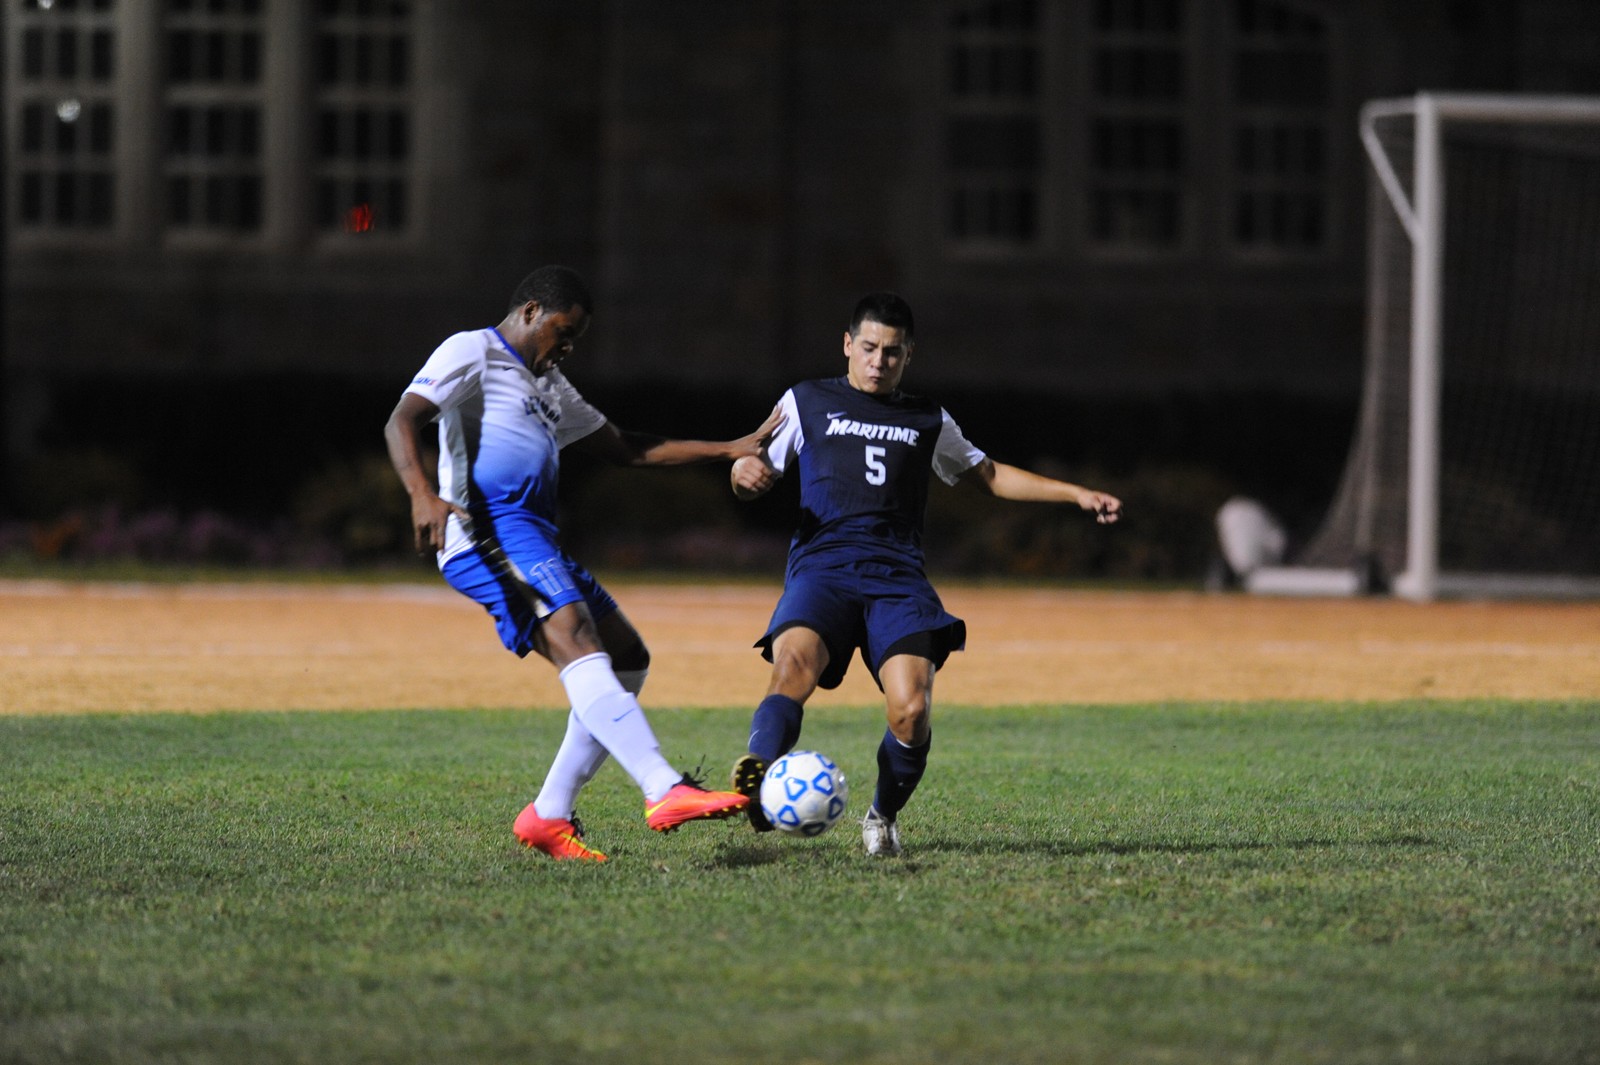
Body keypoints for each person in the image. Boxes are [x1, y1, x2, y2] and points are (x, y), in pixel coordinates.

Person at [385, 265, 777, 862]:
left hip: (536, 540)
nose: (567, 348)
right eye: (562, 333)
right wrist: (421, 492)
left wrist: (728, 447)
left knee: (626, 657)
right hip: (484, 534)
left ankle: (548, 814)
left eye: (576, 340)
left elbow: (624, 447)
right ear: (530, 311)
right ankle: (661, 786)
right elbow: (403, 418)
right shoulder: (475, 351)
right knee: (576, 639)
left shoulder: (551, 385)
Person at [727, 292, 1121, 857]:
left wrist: (1075, 493)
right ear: (847, 345)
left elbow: (989, 475)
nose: (877, 361)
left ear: (908, 354)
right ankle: (759, 775)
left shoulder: (928, 419)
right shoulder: (805, 401)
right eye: (867, 348)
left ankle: (881, 815)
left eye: (891, 352)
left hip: (897, 579)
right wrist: (746, 474)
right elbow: (751, 464)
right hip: (824, 569)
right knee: (793, 665)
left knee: (911, 710)